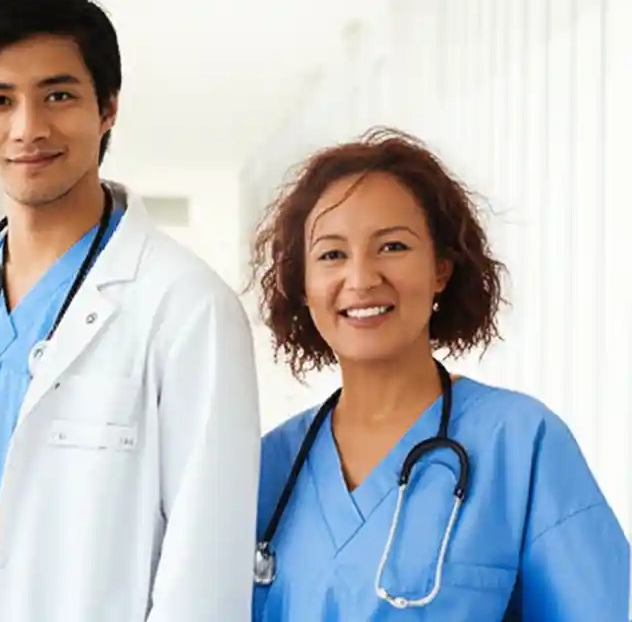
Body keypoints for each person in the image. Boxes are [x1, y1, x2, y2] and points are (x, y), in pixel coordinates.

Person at [0, 0, 261, 622]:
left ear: (107, 108)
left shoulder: (185, 306)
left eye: (58, 94)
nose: (28, 127)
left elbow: (206, 568)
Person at [248, 126, 629, 620]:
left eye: (392, 247)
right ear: (302, 284)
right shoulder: (271, 467)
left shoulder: (519, 443)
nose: (361, 279)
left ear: (441, 270)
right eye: (332, 255)